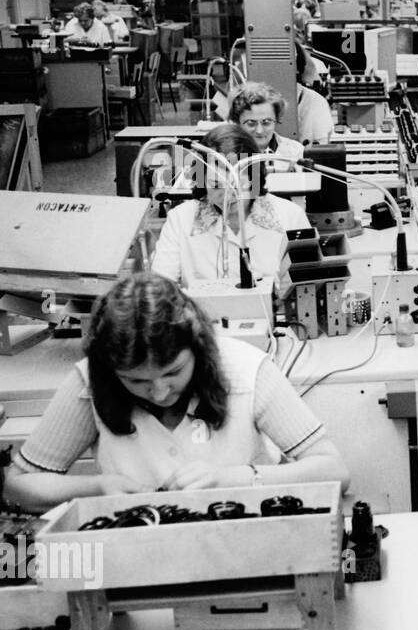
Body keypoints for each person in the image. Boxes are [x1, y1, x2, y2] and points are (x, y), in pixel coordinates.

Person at [2, 274, 349, 512]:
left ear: (197, 347)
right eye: (136, 381)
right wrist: (97, 487)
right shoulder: (88, 383)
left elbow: (334, 470)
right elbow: (18, 487)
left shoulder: (246, 369)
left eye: (174, 372)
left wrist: (234, 479)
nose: (159, 391)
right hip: (141, 559)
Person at [152, 125, 310, 288]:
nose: (227, 196)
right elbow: (161, 286)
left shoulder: (290, 216)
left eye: (236, 185)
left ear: (253, 177)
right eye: (216, 185)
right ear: (202, 181)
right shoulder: (180, 219)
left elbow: (307, 285)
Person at [229, 82, 304, 165]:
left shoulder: (296, 152)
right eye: (251, 123)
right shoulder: (225, 155)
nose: (259, 131)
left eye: (266, 122)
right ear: (237, 122)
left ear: (276, 119)